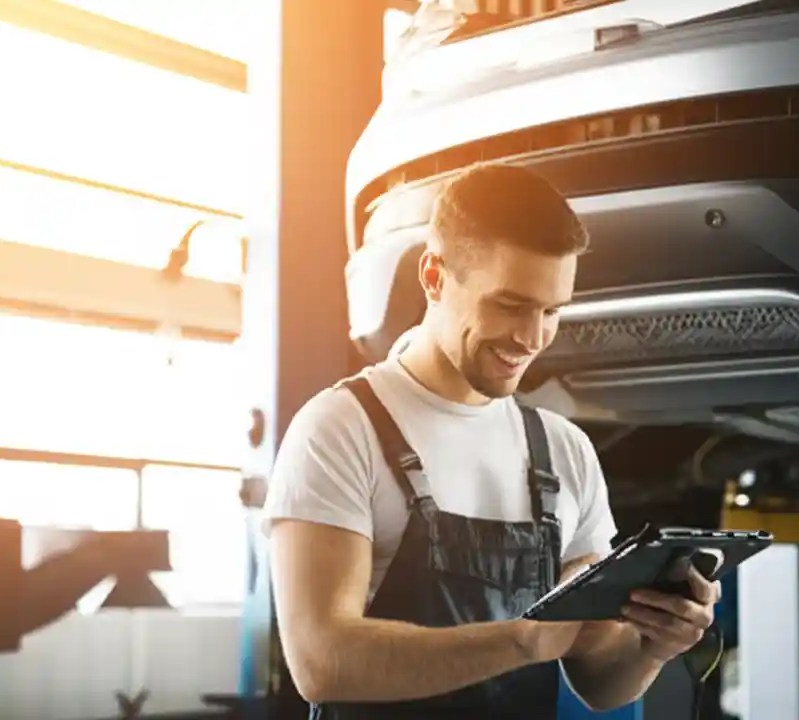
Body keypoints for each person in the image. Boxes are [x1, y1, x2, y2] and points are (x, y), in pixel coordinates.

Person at [263, 163, 719, 719]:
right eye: (509, 305)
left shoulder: (564, 451)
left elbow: (602, 683)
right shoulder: (340, 428)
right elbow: (321, 662)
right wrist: (521, 641)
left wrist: (655, 647)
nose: (531, 338)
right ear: (434, 276)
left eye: (551, 311)